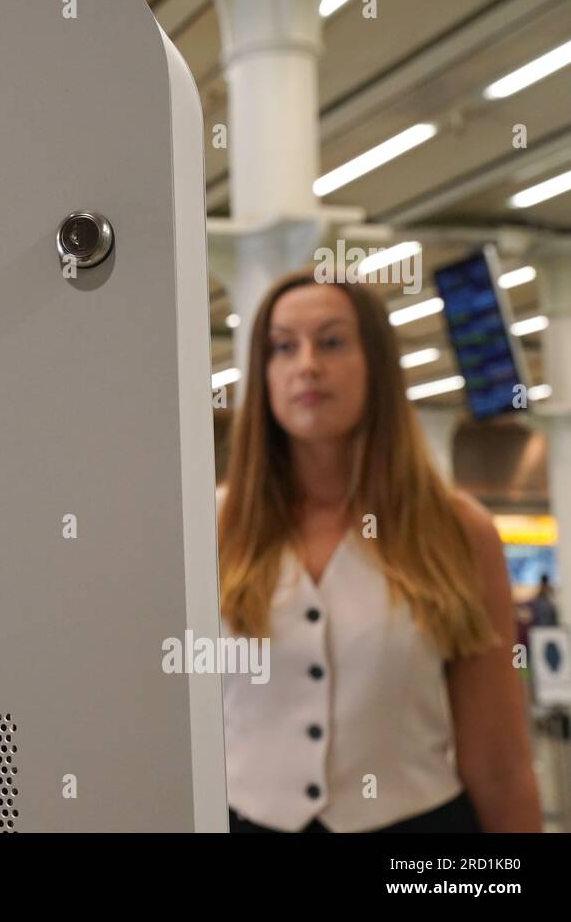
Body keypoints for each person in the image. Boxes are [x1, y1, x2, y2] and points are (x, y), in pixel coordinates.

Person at [217, 268, 541, 833]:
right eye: (283, 347)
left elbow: (499, 762)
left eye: (333, 341)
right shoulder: (217, 525)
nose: (307, 364)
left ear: (378, 367)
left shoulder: (457, 530)